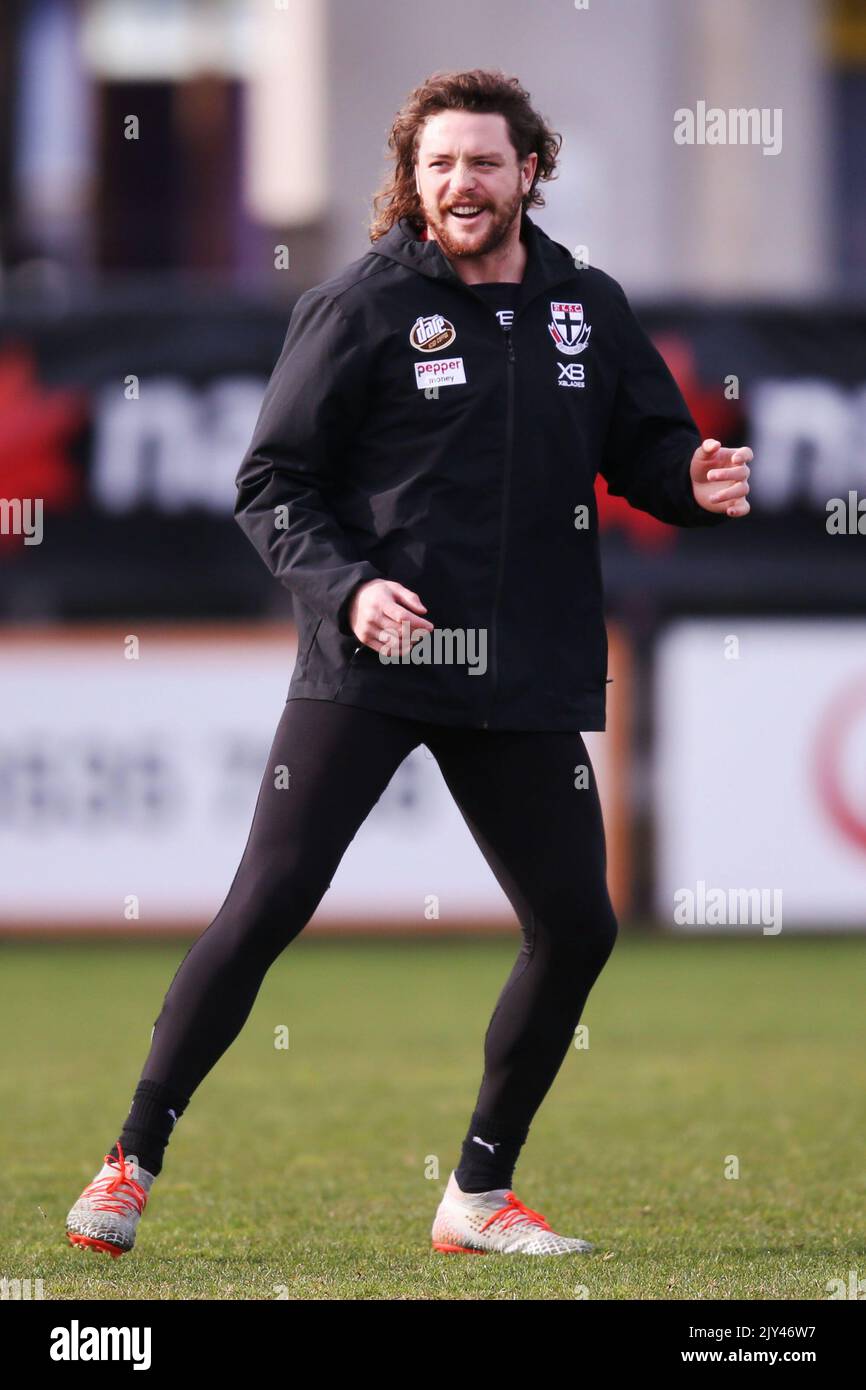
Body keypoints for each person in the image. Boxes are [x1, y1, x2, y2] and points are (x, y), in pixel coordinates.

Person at [66, 68, 751, 1260]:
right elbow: (268, 486)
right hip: (378, 656)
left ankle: (475, 1195)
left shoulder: (584, 304)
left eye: (483, 162)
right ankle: (131, 1156)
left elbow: (642, 447)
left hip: (520, 664)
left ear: (529, 170)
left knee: (577, 926)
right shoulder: (361, 305)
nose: (460, 184)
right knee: (268, 902)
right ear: (411, 175)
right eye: (438, 165)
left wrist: (687, 480)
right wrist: (349, 588)